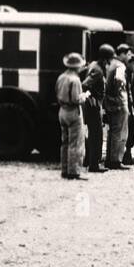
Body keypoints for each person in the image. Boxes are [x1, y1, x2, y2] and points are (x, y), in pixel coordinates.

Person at [55, 52, 90, 180]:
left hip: (62, 110)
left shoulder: (62, 77)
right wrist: (85, 96)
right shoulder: (75, 80)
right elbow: (76, 99)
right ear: (77, 66)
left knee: (64, 142)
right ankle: (73, 171)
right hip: (73, 111)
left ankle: (64, 169)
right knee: (75, 143)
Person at [81, 45, 110, 173]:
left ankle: (89, 160)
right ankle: (94, 165)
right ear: (104, 59)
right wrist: (90, 97)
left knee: (93, 134)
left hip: (94, 104)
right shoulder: (98, 70)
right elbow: (85, 84)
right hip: (94, 105)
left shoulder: (93, 65)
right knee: (96, 135)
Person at [105, 44, 131, 170]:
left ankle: (110, 158)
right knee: (120, 131)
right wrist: (120, 99)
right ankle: (116, 160)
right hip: (119, 102)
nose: (128, 57)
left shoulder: (110, 64)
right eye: (127, 54)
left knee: (113, 131)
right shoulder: (120, 65)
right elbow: (119, 82)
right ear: (122, 53)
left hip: (109, 102)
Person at [121, 48, 134, 165]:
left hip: (131, 106)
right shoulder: (125, 74)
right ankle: (124, 154)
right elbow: (128, 94)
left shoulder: (132, 75)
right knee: (125, 130)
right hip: (125, 106)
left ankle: (127, 153)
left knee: (131, 129)